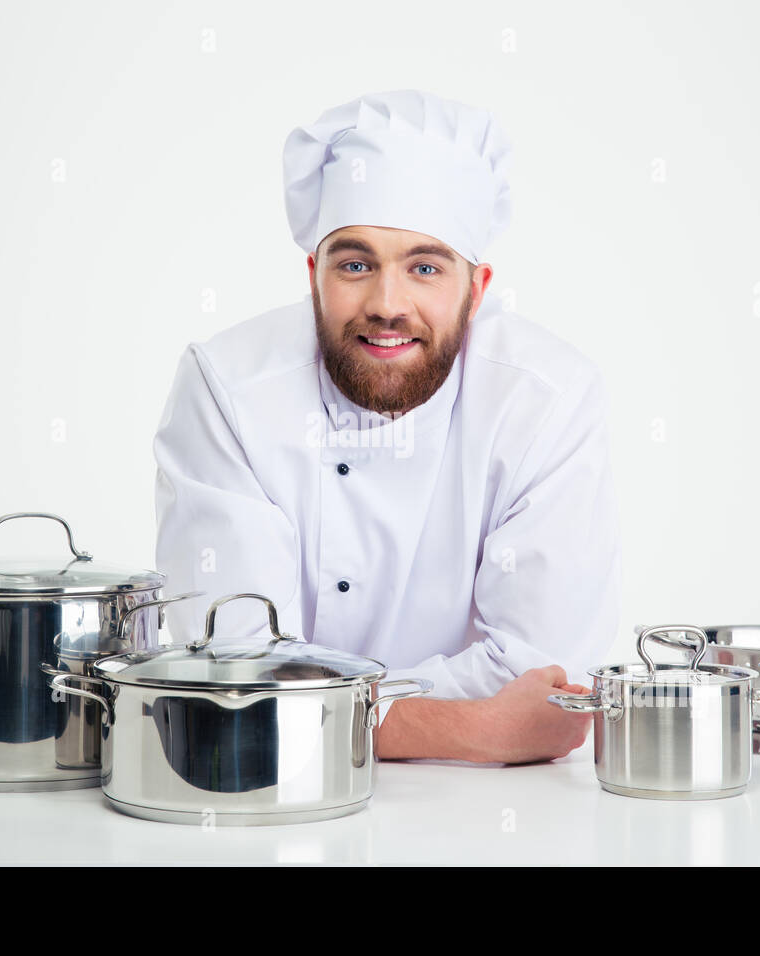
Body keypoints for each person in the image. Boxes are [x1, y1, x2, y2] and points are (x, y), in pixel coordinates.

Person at [153, 89, 621, 763]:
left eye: (425, 267)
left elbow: (543, 675)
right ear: (314, 275)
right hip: (270, 808)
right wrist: (472, 728)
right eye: (355, 264)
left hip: (495, 820)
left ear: (477, 288)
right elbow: (231, 677)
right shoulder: (226, 388)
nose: (387, 304)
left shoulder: (546, 401)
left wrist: (304, 705)